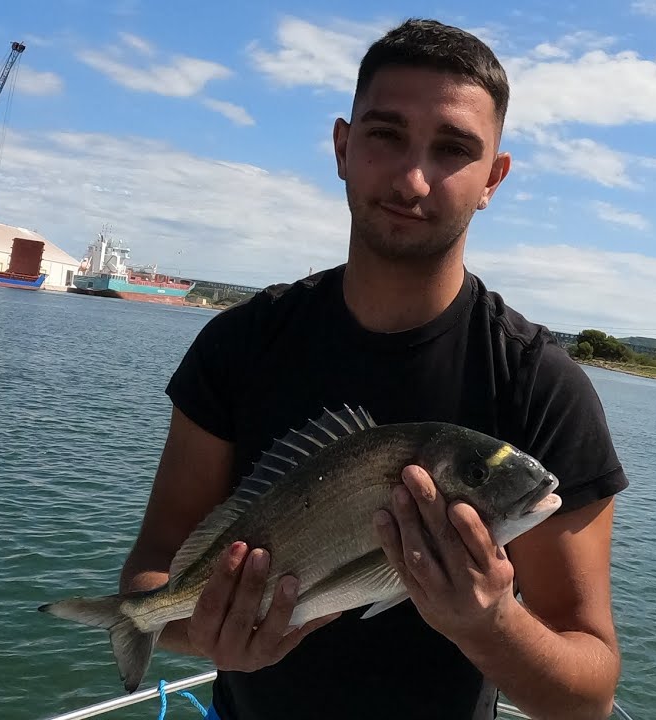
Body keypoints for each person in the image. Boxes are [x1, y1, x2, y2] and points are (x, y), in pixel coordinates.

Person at [119, 17, 629, 720]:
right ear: (342, 146)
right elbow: (150, 578)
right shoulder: (238, 345)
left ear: (493, 178)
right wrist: (205, 632)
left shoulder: (542, 387)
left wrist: (492, 624)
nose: (413, 179)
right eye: (386, 135)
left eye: (453, 149)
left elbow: (589, 696)